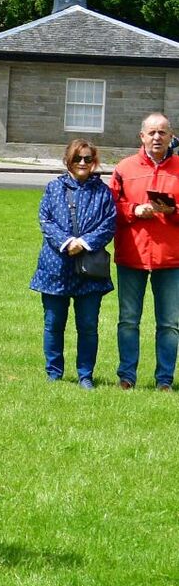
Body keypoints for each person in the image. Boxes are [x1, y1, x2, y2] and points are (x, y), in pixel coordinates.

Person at [29, 139, 116, 388]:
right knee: (53, 324)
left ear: (94, 162)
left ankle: (85, 375)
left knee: (88, 326)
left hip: (89, 269)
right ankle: (54, 373)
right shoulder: (54, 188)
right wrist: (67, 242)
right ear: (68, 160)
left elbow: (109, 224)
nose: (82, 163)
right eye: (77, 158)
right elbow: (45, 220)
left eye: (88, 159)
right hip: (56, 266)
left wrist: (84, 242)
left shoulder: (103, 192)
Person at [110, 113, 179, 390]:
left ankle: (164, 380)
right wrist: (133, 210)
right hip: (133, 256)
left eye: (162, 133)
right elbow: (110, 208)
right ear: (141, 136)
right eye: (151, 133)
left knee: (170, 324)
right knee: (128, 320)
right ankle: (127, 376)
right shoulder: (125, 168)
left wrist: (172, 211)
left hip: (171, 258)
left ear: (171, 136)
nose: (156, 138)